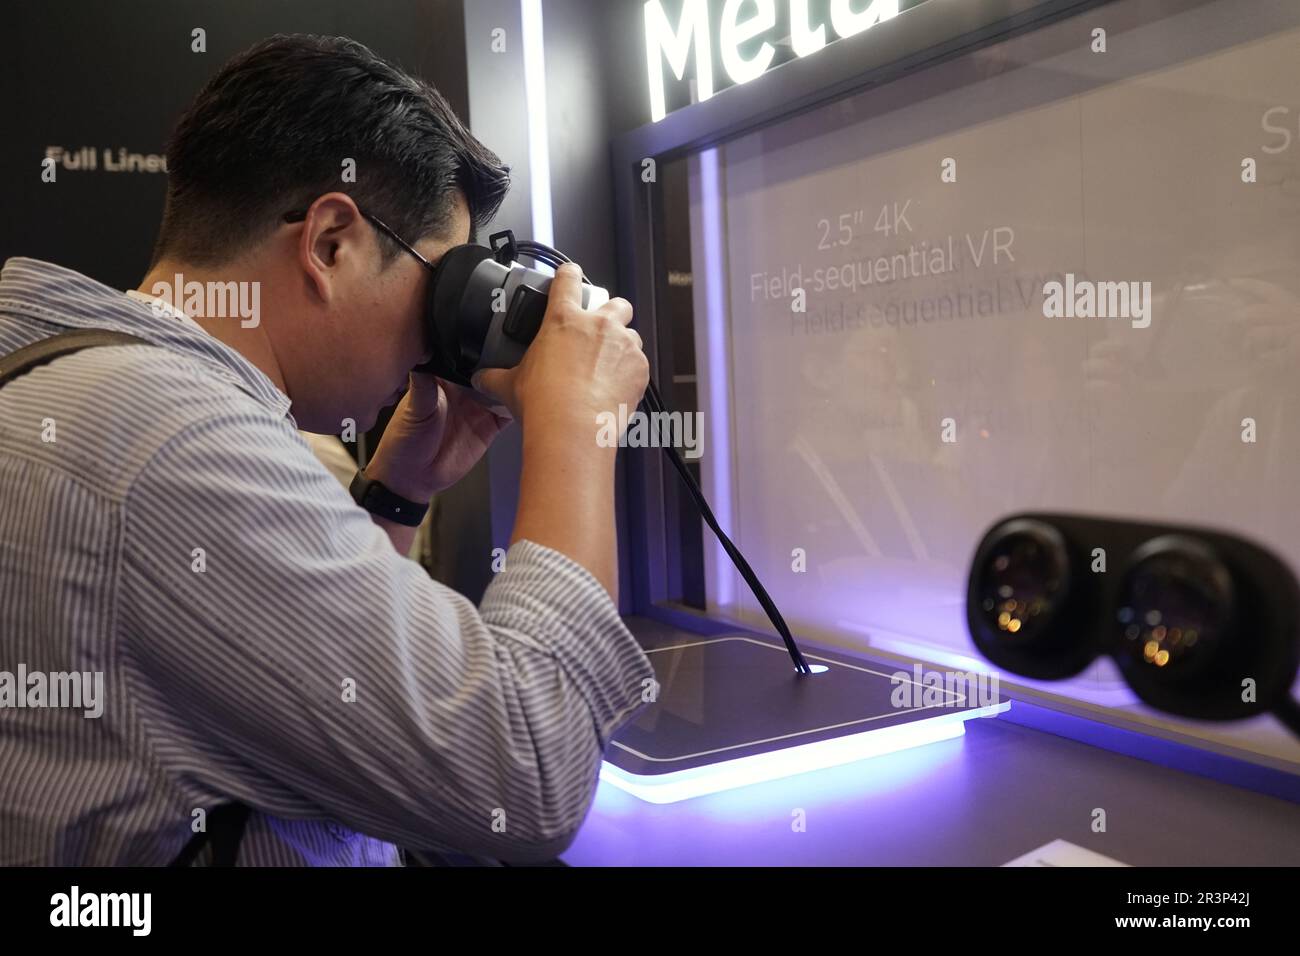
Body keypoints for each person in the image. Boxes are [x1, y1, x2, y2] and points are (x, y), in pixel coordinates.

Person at [0, 34, 651, 865]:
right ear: (332, 242)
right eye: (437, 285)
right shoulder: (178, 442)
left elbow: (292, 688)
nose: (430, 345)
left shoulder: (71, 377)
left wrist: (398, 491)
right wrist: (579, 425)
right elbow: (524, 773)